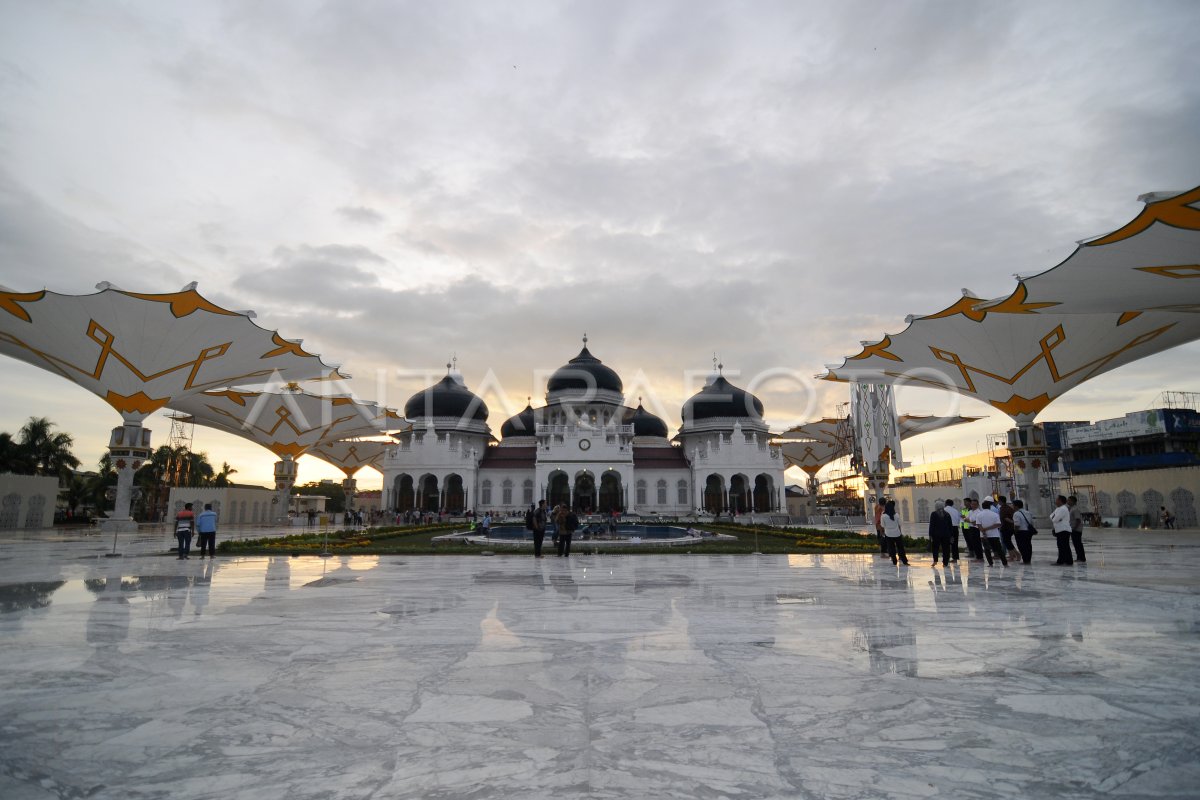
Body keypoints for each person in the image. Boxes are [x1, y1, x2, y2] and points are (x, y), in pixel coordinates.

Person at [976, 499, 1007, 566]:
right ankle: (1005, 563)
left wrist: (984, 531)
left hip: (984, 535)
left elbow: (979, 525)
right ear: (990, 506)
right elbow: (998, 524)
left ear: (982, 506)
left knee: (987, 550)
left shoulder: (979, 515)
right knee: (999, 549)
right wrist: (988, 528)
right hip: (994, 535)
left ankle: (990, 563)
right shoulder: (995, 514)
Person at [880, 500, 909, 565]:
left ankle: (894, 561)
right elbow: (900, 524)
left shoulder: (883, 516)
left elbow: (882, 525)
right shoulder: (896, 515)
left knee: (891, 548)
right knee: (900, 548)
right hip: (897, 534)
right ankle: (904, 561)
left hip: (888, 534)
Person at [928, 500, 954, 567]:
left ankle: (935, 561)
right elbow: (950, 526)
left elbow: (932, 525)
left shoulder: (934, 514)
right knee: (946, 548)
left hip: (936, 535)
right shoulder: (947, 514)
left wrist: (930, 534)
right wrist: (951, 535)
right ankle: (945, 563)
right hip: (946, 534)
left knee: (935, 548)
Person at [1050, 495, 1073, 565]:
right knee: (1062, 546)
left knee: (1064, 546)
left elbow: (1055, 519)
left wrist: (1056, 518)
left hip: (1064, 530)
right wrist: (1055, 518)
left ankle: (1063, 561)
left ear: (1060, 501)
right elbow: (1051, 516)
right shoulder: (1058, 509)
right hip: (1059, 530)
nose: (1056, 501)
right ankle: (1066, 560)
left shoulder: (1063, 508)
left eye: (1057, 500)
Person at [1012, 499, 1035, 565]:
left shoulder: (1016, 514)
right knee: (1028, 545)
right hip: (1028, 531)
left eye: (1013, 505)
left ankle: (1025, 560)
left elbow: (1017, 525)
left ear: (1016, 506)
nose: (1012, 507)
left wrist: (1015, 532)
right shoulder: (1028, 512)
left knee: (1021, 546)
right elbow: (1031, 522)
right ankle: (1028, 559)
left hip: (1021, 532)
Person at [1067, 495, 1086, 563]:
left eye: (1069, 500)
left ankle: (1081, 558)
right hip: (1073, 529)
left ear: (1072, 501)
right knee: (1076, 544)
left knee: (1078, 544)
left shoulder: (1075, 509)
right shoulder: (1071, 508)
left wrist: (1074, 528)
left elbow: (1078, 520)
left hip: (1076, 529)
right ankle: (1079, 557)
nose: (1067, 501)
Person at [998, 496, 1018, 561]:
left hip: (1006, 528)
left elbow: (1005, 518)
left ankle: (1017, 554)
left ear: (1000, 501)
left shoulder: (1003, 508)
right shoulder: (1009, 507)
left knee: (1007, 542)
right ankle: (1012, 555)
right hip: (1010, 528)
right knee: (1007, 542)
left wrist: (1012, 522)